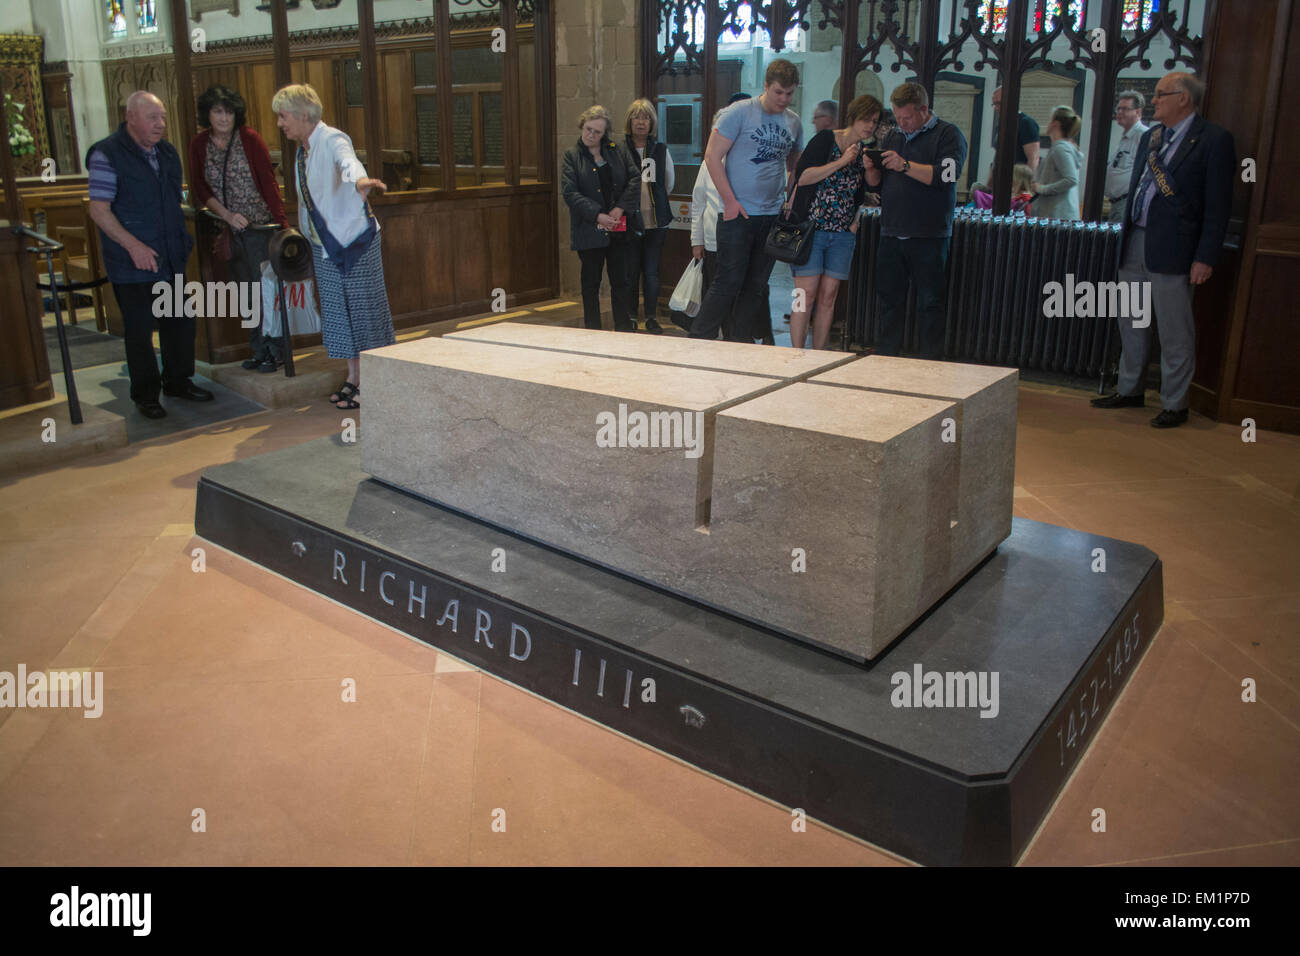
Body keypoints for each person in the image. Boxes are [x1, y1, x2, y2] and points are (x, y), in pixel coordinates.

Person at [1091, 72, 1234, 429]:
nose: (1154, 101)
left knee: (1174, 328)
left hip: (1176, 249)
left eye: (1160, 95)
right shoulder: (1153, 137)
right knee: (1131, 320)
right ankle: (1129, 389)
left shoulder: (1213, 140)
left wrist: (1205, 256)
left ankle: (1175, 402)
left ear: (1183, 98)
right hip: (1135, 239)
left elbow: (1218, 207)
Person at [86, 91, 207, 420]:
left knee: (180, 324)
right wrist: (133, 245)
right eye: (153, 118)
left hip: (169, 255)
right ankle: (146, 395)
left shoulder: (167, 153)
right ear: (131, 118)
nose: (161, 124)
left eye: (163, 117)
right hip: (132, 262)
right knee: (140, 331)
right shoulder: (106, 154)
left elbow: (170, 202)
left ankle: (178, 381)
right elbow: (99, 210)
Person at [273, 83, 393, 410]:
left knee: (363, 311)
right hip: (324, 246)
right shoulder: (303, 150)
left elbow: (348, 162)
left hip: (354, 243)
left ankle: (373, 381)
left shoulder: (332, 138)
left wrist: (361, 181)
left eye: (283, 116)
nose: (280, 123)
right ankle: (354, 377)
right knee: (340, 315)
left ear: (302, 114)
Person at [688, 59, 803, 343]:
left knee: (756, 285)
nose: (783, 99)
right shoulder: (737, 113)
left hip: (771, 214)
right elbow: (712, 157)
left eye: (789, 94)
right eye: (778, 92)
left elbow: (795, 162)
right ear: (765, 86)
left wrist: (789, 199)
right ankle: (697, 339)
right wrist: (730, 201)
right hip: (738, 213)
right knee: (727, 282)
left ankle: (739, 343)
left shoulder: (793, 120)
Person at [864, 81, 967, 360]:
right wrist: (871, 169)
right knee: (888, 299)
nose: (902, 123)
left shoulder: (948, 134)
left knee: (930, 301)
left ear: (924, 109)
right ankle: (887, 354)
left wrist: (905, 165)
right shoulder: (894, 137)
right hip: (892, 230)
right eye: (897, 118)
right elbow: (878, 187)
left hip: (929, 234)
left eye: (907, 117)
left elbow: (947, 176)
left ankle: (930, 360)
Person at [189, 84, 288, 373]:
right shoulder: (199, 144)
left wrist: (281, 224)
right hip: (229, 229)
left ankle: (275, 350)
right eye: (217, 112)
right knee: (246, 292)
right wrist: (227, 215)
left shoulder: (249, 139)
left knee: (266, 290)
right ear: (207, 114)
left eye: (229, 112)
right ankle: (257, 348)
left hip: (260, 227)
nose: (223, 118)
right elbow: (199, 186)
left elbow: (268, 181)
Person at [788, 95, 882, 350]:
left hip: (842, 234)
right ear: (853, 118)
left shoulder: (864, 152)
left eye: (874, 122)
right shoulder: (826, 140)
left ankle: (818, 354)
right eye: (866, 119)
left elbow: (863, 191)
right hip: (812, 230)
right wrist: (841, 162)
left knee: (828, 296)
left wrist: (856, 217)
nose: (870, 126)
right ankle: (795, 354)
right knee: (802, 295)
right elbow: (803, 177)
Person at [560, 105, 641, 333]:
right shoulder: (572, 156)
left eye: (597, 132)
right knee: (590, 284)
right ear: (582, 127)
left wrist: (619, 209)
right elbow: (570, 192)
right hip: (590, 228)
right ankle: (592, 331)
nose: (591, 135)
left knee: (621, 282)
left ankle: (624, 329)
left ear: (605, 134)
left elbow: (635, 179)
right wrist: (598, 214)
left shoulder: (617, 151)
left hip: (617, 226)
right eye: (588, 129)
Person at [623, 99, 674, 334]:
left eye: (645, 117)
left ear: (651, 122)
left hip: (655, 220)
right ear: (629, 121)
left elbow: (668, 182)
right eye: (636, 117)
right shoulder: (620, 149)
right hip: (629, 221)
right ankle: (631, 316)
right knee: (631, 271)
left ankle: (651, 317)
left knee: (651, 272)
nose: (641, 122)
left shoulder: (660, 149)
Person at [686, 111, 727, 335]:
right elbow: (698, 202)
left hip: (736, 239)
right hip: (712, 240)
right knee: (712, 290)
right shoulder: (708, 162)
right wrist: (697, 240)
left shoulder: (742, 161)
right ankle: (708, 335)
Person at [1031, 105, 1082, 221]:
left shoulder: (1061, 149)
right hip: (1054, 214)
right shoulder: (1059, 148)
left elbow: (1071, 179)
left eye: (1050, 120)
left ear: (1055, 124)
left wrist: (1042, 189)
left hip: (1057, 215)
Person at [1106, 90, 1148, 223]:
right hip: (1116, 204)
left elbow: (1147, 172)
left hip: (1127, 202)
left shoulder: (1143, 135)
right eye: (1118, 109)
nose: (1119, 112)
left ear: (1138, 112)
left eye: (1125, 109)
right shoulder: (1126, 137)